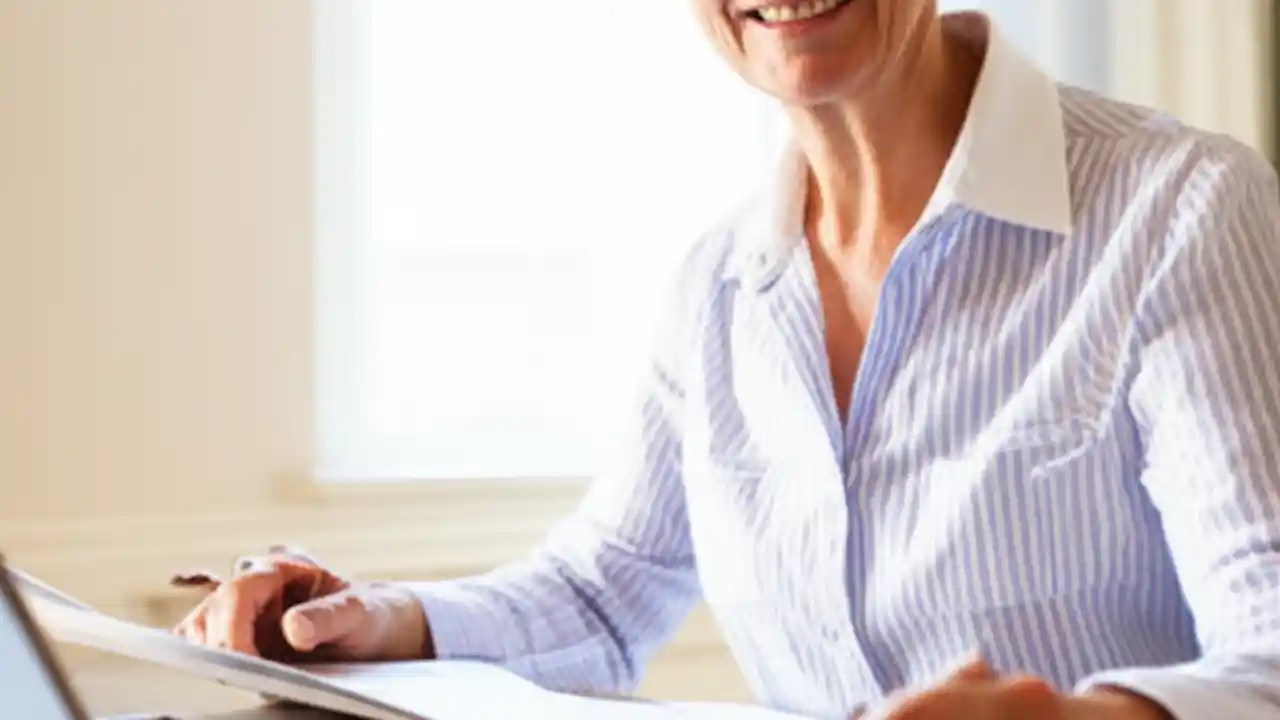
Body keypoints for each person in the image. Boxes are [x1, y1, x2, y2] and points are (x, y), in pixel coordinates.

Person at [176, 3, 1280, 719]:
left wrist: (1087, 719)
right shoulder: (719, 284)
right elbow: (601, 596)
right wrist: (376, 621)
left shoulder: (1182, 210)